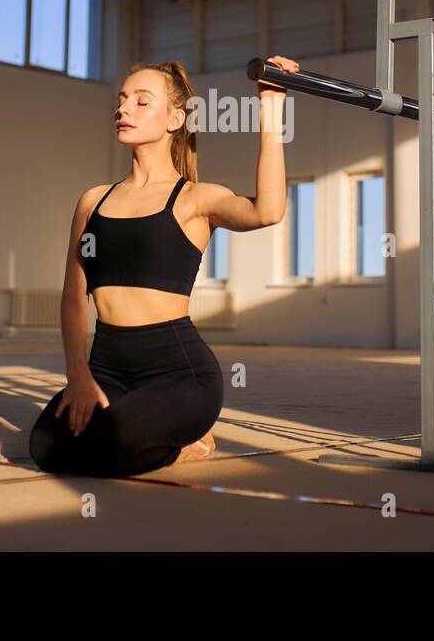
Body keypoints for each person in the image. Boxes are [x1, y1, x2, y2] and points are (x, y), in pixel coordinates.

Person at [28, 55, 299, 477]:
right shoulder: (93, 200)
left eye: (141, 101)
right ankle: (149, 432)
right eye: (121, 101)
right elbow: (73, 296)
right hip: (105, 368)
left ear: (175, 119)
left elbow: (268, 210)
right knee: (47, 448)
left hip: (178, 375)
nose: (123, 109)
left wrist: (271, 108)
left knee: (108, 444)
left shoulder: (195, 199)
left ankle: (189, 443)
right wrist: (78, 375)